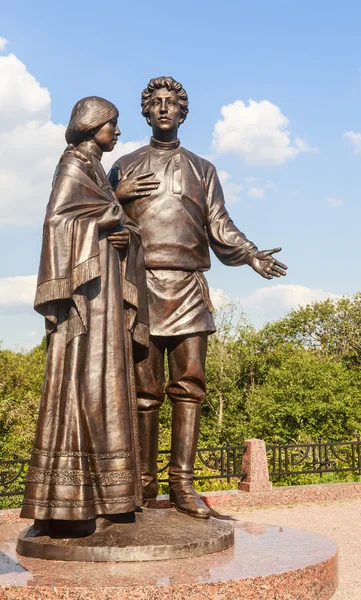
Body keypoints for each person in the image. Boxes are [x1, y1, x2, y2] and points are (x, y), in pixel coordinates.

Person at [108, 77, 287, 519]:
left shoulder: (202, 169)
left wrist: (250, 255)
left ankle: (182, 485)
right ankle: (143, 484)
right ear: (146, 112)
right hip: (141, 288)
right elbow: (96, 218)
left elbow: (219, 224)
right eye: (157, 103)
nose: (164, 109)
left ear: (183, 112)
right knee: (144, 392)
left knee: (189, 389)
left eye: (172, 103)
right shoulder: (124, 166)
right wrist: (115, 196)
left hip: (188, 288)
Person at [20, 96, 149, 535]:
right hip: (85, 297)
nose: (117, 131)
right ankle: (68, 502)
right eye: (112, 124)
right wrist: (110, 213)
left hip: (105, 292)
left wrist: (121, 233)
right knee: (81, 379)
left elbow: (107, 221)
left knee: (107, 381)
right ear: (92, 125)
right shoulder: (73, 163)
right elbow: (58, 222)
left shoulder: (95, 169)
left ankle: (111, 496)